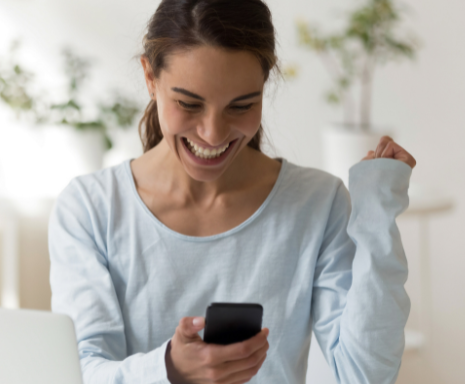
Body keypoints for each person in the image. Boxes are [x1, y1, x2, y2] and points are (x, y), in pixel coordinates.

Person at [49, 0, 417, 383]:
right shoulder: (91, 208)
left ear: (265, 84)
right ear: (149, 76)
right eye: (188, 103)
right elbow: (81, 372)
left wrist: (376, 214)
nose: (213, 133)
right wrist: (170, 369)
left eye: (241, 105)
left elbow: (364, 375)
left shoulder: (317, 204)